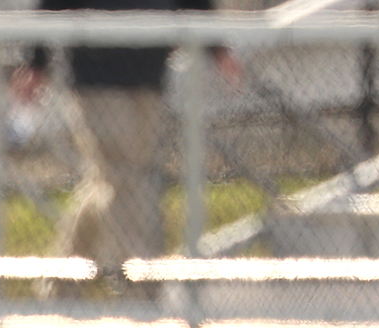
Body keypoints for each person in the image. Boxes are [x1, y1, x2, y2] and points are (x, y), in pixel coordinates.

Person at [14, 0, 238, 277]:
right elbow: (52, 4)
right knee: (123, 176)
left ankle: (60, 277)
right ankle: (140, 279)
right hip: (95, 77)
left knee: (116, 179)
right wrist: (36, 63)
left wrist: (217, 48)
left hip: (148, 75)